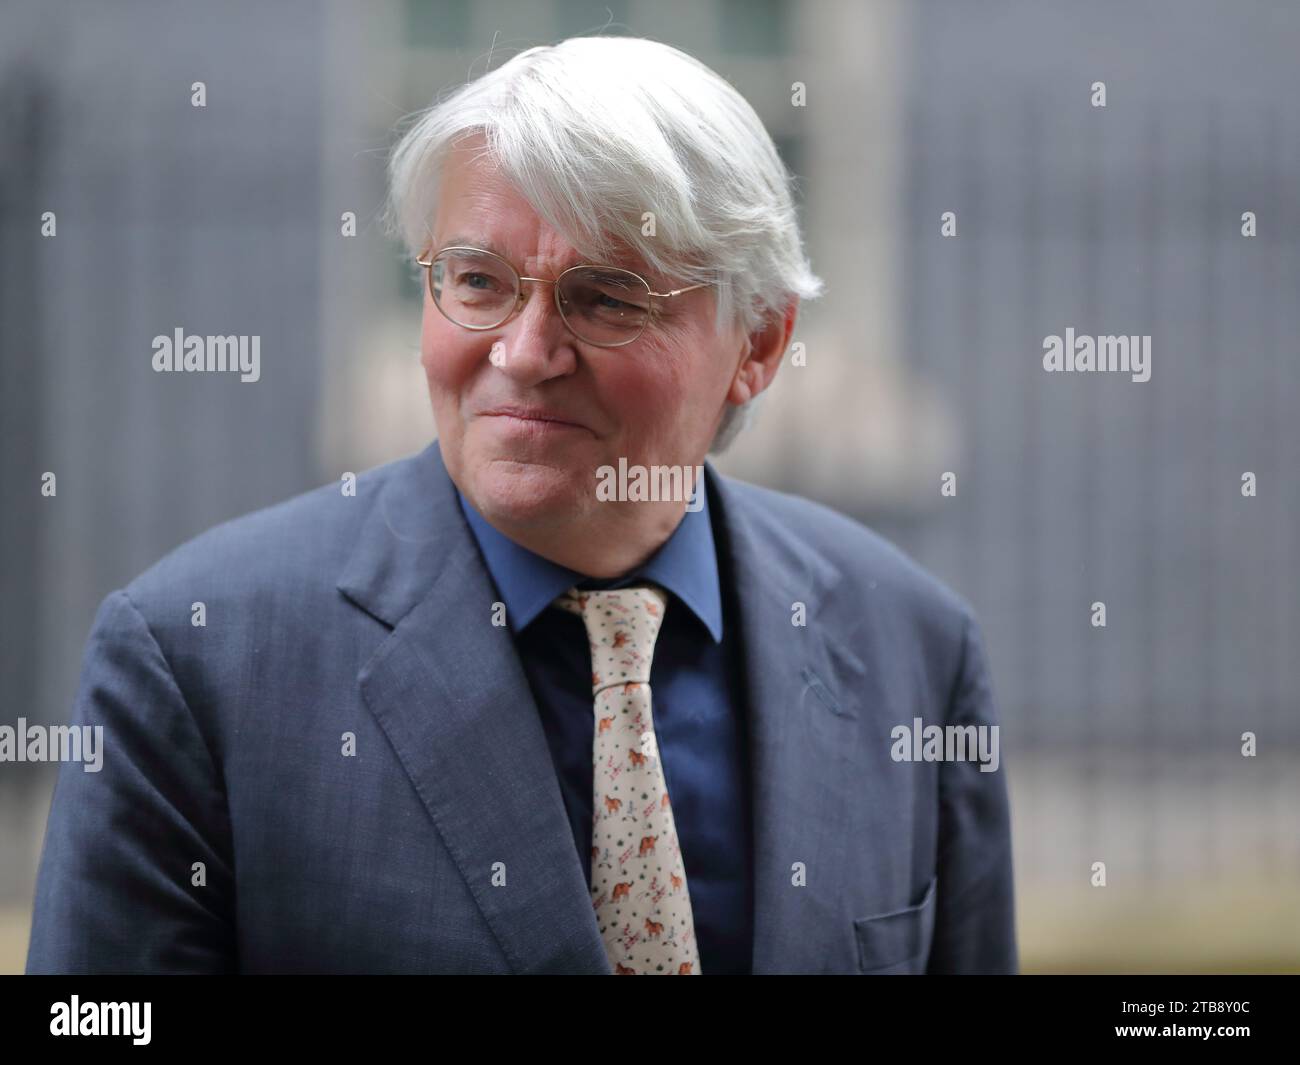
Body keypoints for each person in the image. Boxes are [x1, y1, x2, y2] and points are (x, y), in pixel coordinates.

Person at [26, 35, 1016, 974]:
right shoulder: (198, 660)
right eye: (477, 282)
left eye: (606, 297)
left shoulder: (912, 650)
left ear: (756, 343)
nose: (525, 353)